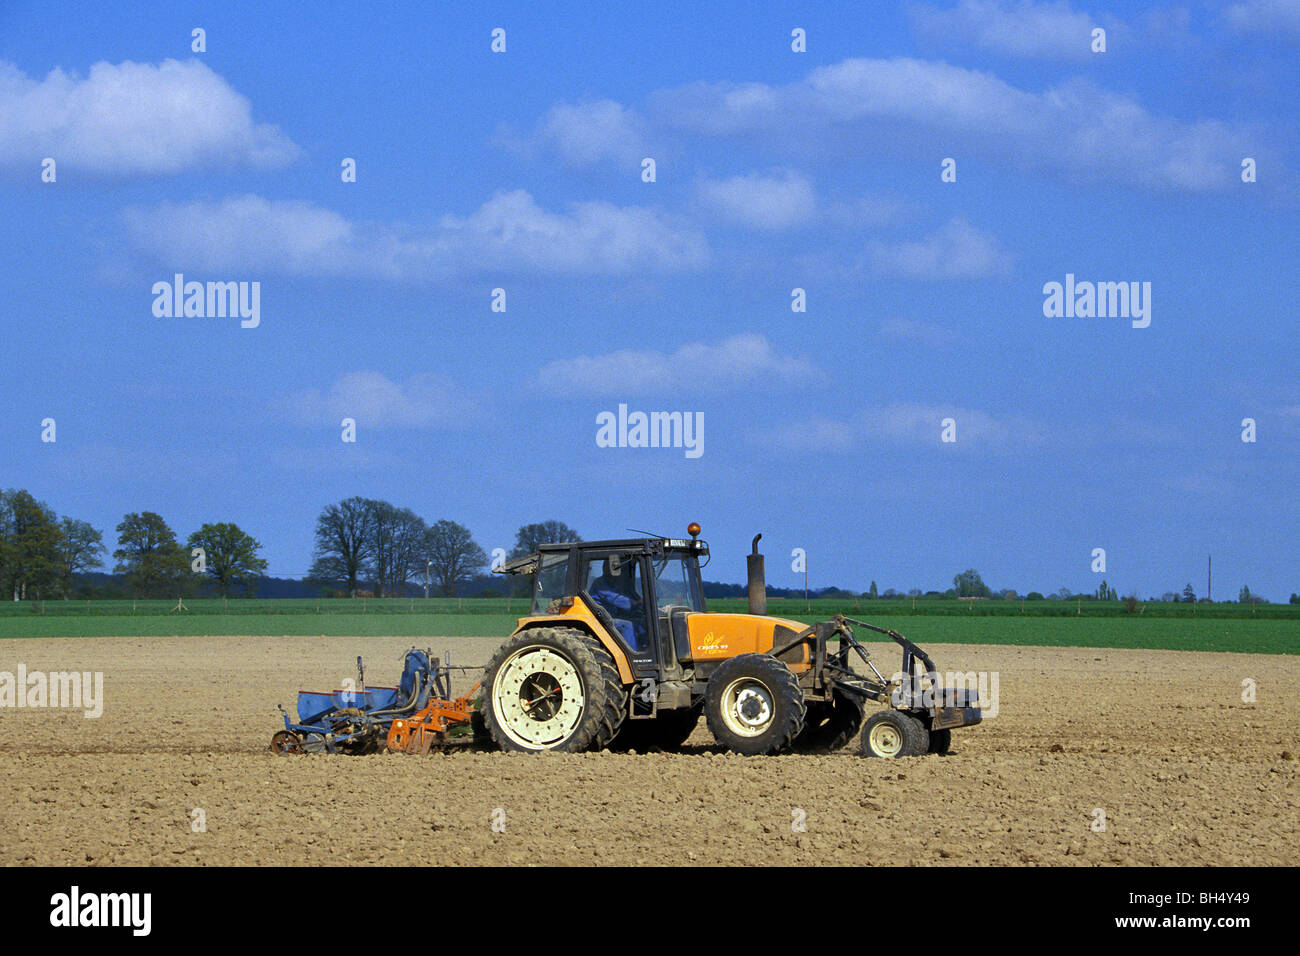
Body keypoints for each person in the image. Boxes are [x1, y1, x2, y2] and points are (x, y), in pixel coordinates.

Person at [589, 557, 646, 650]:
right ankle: (634, 654)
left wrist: (637, 607)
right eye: (612, 567)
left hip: (610, 616)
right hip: (600, 618)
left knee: (639, 622)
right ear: (604, 568)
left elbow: (622, 598)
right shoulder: (600, 583)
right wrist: (635, 603)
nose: (614, 569)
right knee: (627, 626)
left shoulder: (613, 584)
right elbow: (615, 599)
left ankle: (645, 649)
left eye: (616, 567)